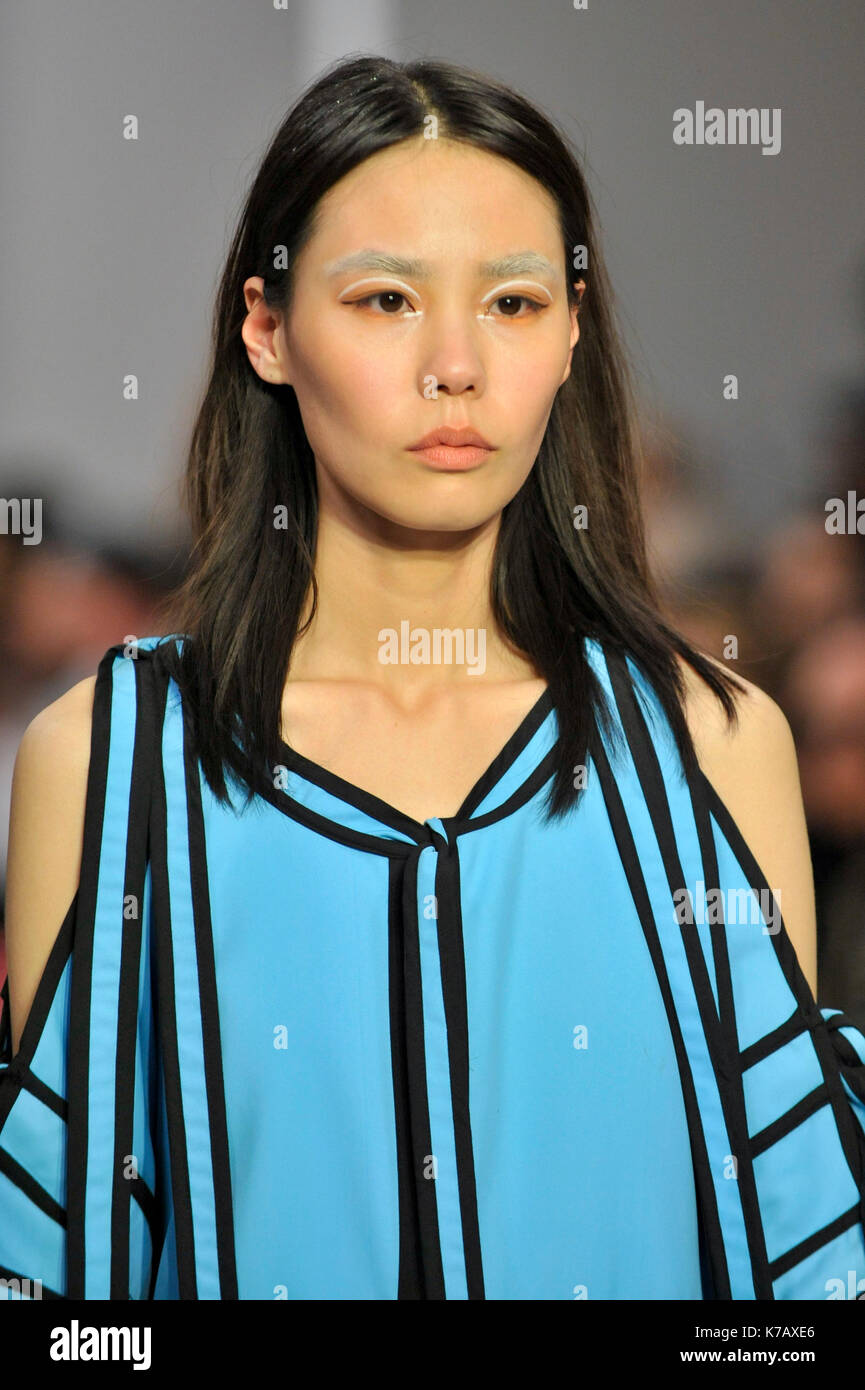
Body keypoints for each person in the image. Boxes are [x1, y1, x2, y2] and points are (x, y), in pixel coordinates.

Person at [1, 54, 864, 1302]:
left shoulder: (713, 751)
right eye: (385, 300)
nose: (455, 365)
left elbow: (794, 1268)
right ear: (267, 327)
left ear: (572, 334)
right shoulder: (107, 759)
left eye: (512, 304)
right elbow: (69, 1291)